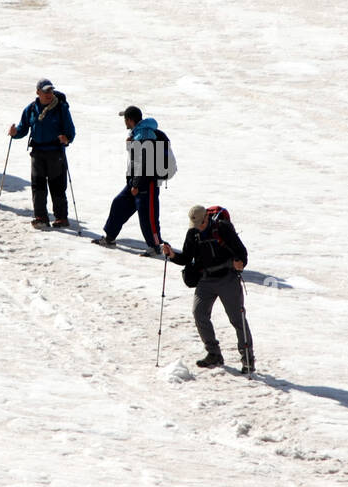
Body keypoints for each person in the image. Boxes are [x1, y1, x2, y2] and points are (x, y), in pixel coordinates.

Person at [161, 205, 255, 373]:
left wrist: (239, 263)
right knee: (199, 314)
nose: (197, 228)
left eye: (200, 224)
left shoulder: (223, 228)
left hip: (227, 278)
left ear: (206, 219)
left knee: (237, 319)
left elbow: (242, 253)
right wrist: (172, 255)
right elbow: (186, 258)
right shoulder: (193, 234)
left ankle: (248, 359)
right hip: (206, 280)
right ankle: (214, 353)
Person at [93, 106, 162, 255]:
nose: (124, 121)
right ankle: (109, 237)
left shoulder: (145, 134)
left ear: (130, 120)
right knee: (119, 204)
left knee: (148, 218)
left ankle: (155, 247)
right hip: (134, 182)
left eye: (125, 118)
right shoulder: (137, 133)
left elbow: (147, 163)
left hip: (146, 183)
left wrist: (137, 184)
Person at [8, 78, 76, 229]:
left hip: (55, 153)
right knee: (38, 186)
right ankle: (41, 217)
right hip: (37, 152)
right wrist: (14, 133)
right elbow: (23, 128)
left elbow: (70, 130)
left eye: (50, 91)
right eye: (45, 91)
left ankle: (61, 218)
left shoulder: (61, 108)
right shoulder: (31, 109)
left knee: (57, 186)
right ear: (38, 92)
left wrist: (67, 138)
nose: (49, 94)